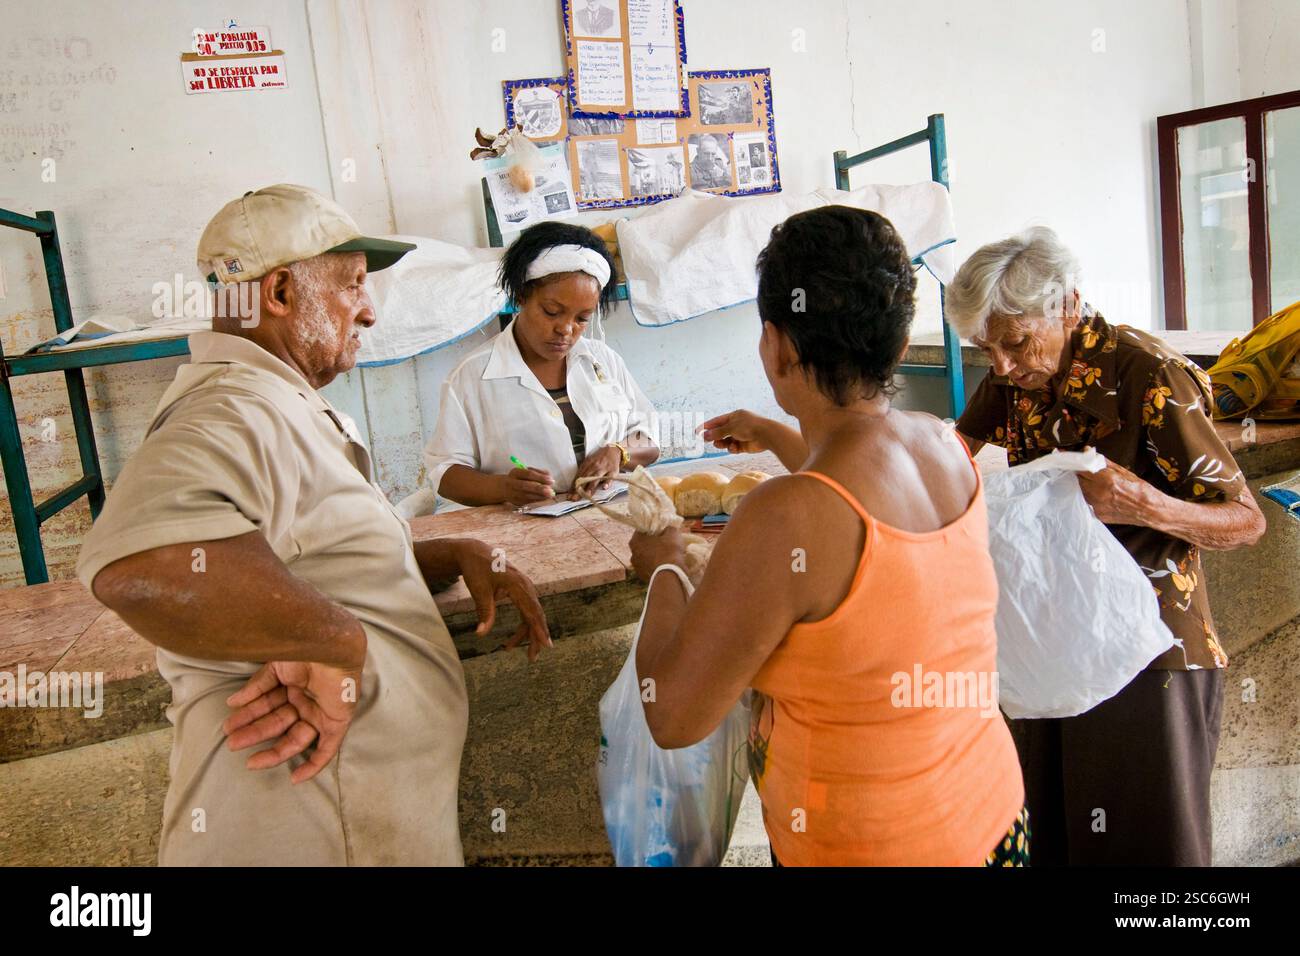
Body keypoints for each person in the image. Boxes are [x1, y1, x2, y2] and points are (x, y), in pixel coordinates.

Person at [76, 184, 552, 866]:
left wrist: (447, 554)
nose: (369, 309)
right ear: (278, 294)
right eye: (353, 285)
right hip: (311, 819)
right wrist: (335, 641)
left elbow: (310, 562)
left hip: (349, 815)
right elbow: (140, 566)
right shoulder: (234, 409)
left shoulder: (279, 403)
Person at [628, 205, 1028, 866]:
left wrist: (665, 572)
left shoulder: (781, 516)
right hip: (991, 817)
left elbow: (673, 717)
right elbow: (856, 493)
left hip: (871, 849)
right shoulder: (945, 447)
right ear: (900, 346)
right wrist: (778, 434)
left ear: (776, 347)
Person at [944, 226, 1266, 866]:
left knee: (1150, 855)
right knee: (1055, 839)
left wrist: (1148, 505)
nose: (1002, 366)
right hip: (1052, 646)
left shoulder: (1148, 374)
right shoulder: (1017, 376)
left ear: (1066, 304)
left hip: (1150, 653)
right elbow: (951, 459)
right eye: (986, 351)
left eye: (1013, 343)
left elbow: (1245, 520)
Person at [426, 222, 659, 507]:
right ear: (522, 295)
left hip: (604, 514)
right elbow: (445, 473)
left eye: (582, 318)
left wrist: (618, 451)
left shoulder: (603, 360)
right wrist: (501, 488)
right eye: (552, 312)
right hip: (520, 525)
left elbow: (649, 436)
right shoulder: (472, 376)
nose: (566, 329)